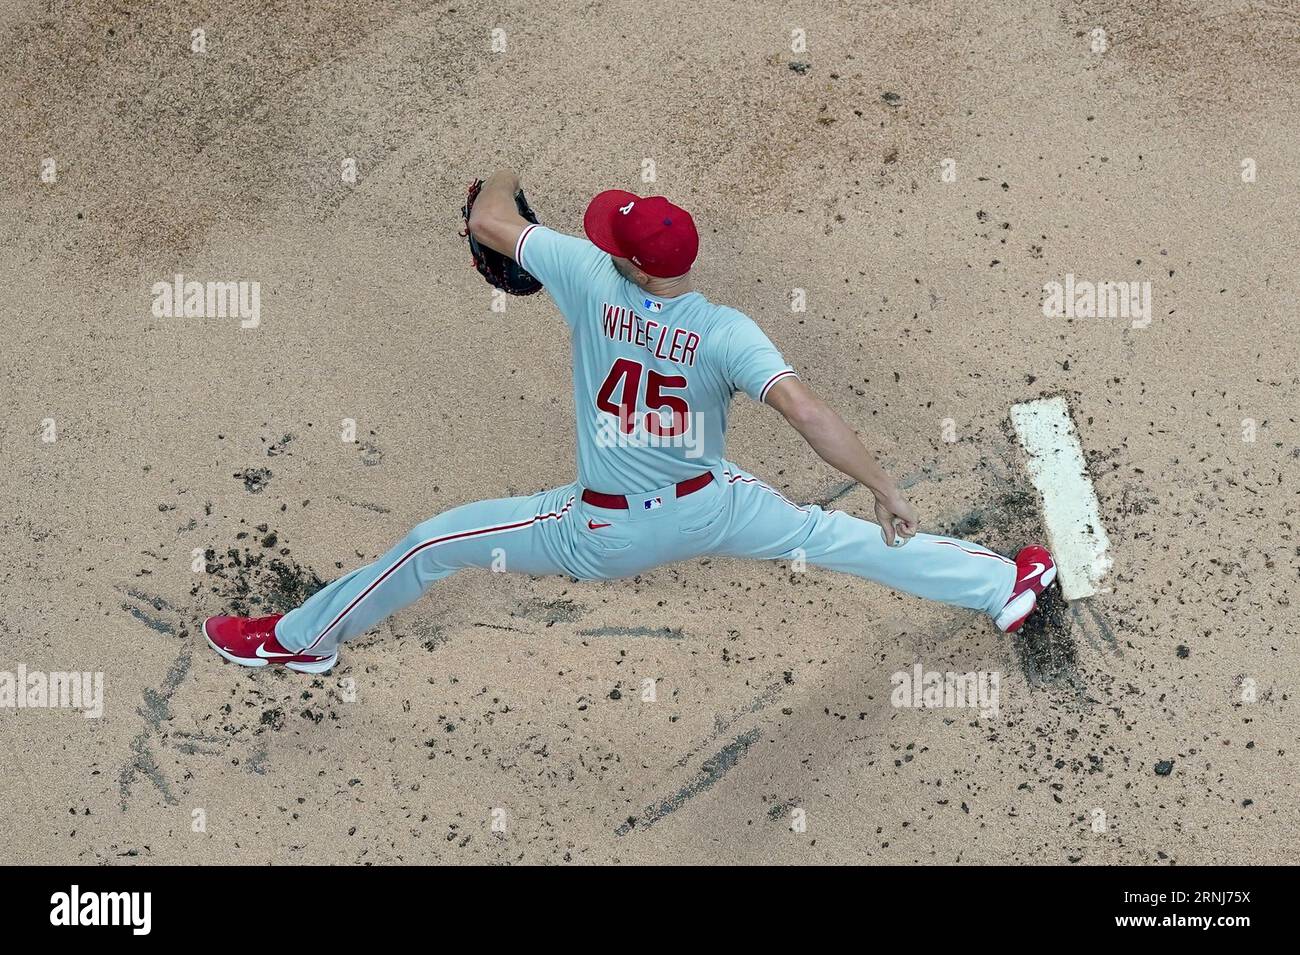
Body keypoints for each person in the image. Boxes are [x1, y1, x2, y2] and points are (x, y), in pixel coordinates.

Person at [203, 169, 1055, 673]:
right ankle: (1002, 589)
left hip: (602, 533)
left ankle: (299, 640)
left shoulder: (587, 275)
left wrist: (498, 172)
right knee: (837, 536)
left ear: (627, 260)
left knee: (434, 542)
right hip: (714, 504)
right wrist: (883, 486)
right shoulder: (726, 329)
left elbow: (489, 217)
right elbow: (809, 413)